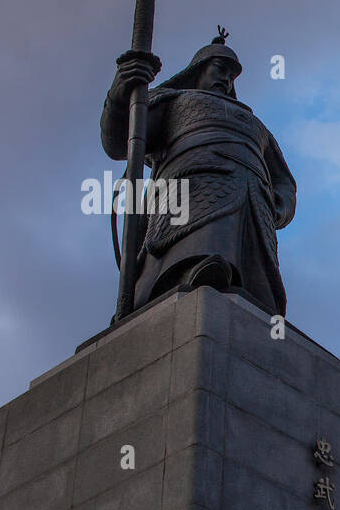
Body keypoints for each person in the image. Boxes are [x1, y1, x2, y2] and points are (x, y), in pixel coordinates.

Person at [101, 28, 297, 316]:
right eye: (219, 70)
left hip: (253, 199)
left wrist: (279, 203)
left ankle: (244, 295)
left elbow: (283, 180)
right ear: (198, 71)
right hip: (193, 181)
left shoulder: (254, 123)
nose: (226, 80)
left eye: (231, 76)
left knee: (260, 292)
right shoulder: (174, 100)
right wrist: (121, 94)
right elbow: (120, 142)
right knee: (199, 239)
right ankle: (193, 271)